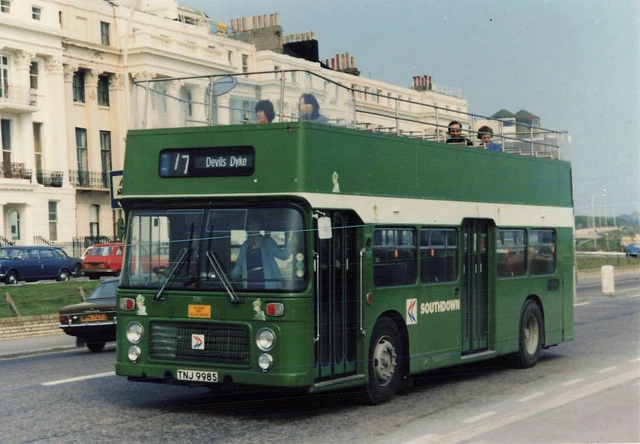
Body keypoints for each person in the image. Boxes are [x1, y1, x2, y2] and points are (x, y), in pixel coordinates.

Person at [230, 221, 297, 289]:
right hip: (249, 284)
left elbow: (284, 255)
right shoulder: (245, 246)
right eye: (251, 224)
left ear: (260, 226)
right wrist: (229, 280)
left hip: (268, 283)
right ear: (248, 227)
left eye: (256, 223)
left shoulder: (268, 242)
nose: (253, 226)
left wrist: (292, 243)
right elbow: (238, 266)